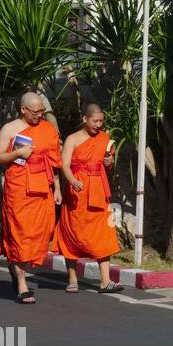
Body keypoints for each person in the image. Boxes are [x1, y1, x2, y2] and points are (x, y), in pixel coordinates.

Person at [0, 92, 62, 304]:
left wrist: (57, 188)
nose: (40, 115)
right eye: (35, 111)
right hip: (19, 189)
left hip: (42, 187)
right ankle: (22, 283)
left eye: (42, 111)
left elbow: (54, 161)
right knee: (20, 233)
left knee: (40, 232)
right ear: (23, 109)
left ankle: (17, 268)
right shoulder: (10, 128)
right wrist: (17, 153)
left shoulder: (48, 129)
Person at [52, 103, 122, 293]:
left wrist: (109, 162)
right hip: (77, 193)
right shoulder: (72, 139)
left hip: (99, 191)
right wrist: (73, 181)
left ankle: (105, 281)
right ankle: (72, 279)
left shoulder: (105, 139)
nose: (99, 125)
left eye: (101, 121)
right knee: (71, 233)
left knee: (103, 233)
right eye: (95, 121)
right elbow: (64, 165)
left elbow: (108, 164)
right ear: (85, 119)